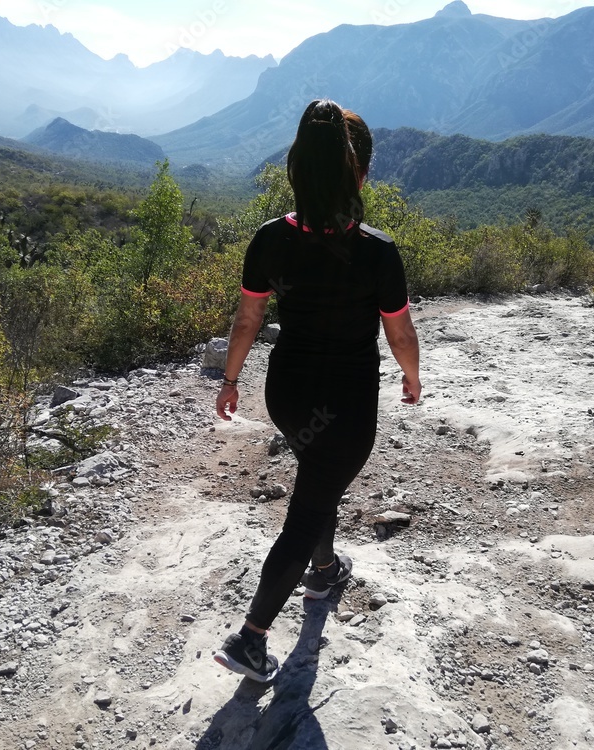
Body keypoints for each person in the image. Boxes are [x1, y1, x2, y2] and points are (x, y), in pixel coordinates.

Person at [213, 100, 422, 683]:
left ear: (295, 168)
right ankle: (250, 639)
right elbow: (399, 330)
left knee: (316, 478)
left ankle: (324, 570)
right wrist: (411, 373)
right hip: (348, 402)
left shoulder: (269, 239)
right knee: (308, 507)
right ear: (359, 174)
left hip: (288, 391)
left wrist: (231, 381)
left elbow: (247, 322)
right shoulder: (377, 250)